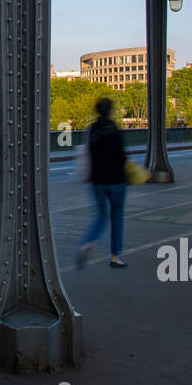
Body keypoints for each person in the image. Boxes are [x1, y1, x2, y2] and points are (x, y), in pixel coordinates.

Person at [78, 97, 128, 269]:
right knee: (117, 217)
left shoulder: (91, 130)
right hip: (116, 180)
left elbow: (87, 154)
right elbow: (122, 157)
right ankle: (115, 257)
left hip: (97, 181)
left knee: (100, 216)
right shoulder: (114, 129)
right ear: (111, 111)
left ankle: (88, 242)